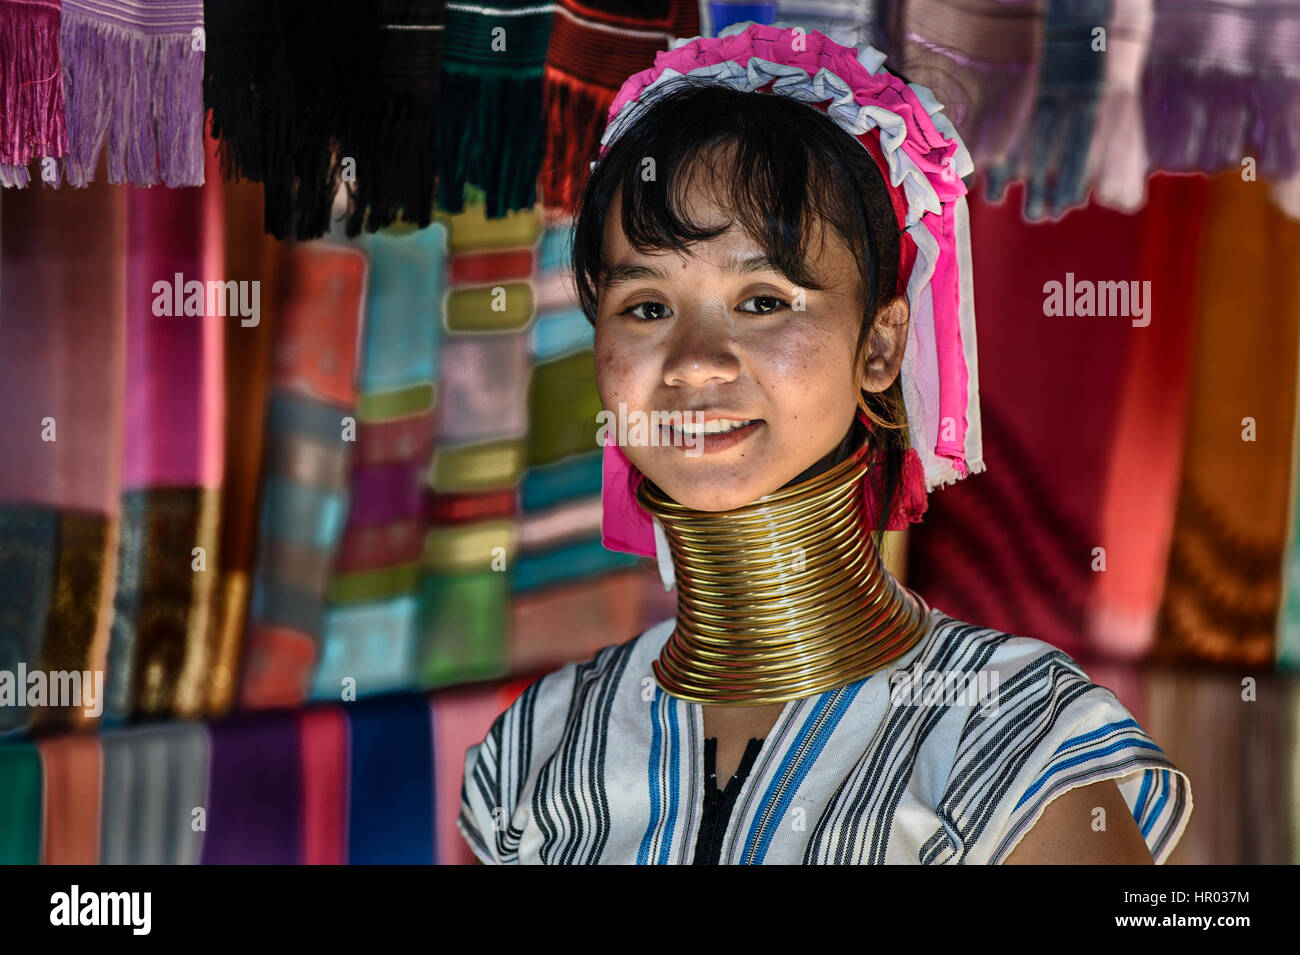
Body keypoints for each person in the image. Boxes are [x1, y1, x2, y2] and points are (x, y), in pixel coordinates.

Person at [457, 21, 1192, 865]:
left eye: (764, 299)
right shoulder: (535, 755)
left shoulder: (1010, 736)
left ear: (879, 348)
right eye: (647, 307)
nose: (694, 363)